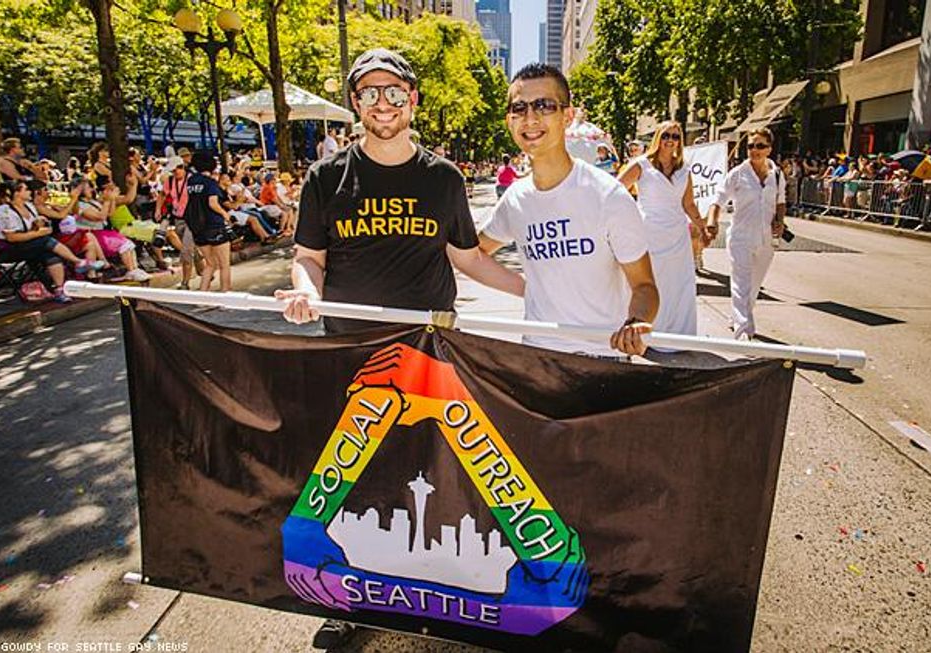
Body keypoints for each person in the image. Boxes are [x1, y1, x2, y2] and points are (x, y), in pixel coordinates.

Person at [277, 49, 523, 648]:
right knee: (357, 474)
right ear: (356, 104)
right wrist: (305, 291)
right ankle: (349, 598)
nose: (382, 104)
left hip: (431, 348)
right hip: (353, 350)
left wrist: (546, 289)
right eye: (369, 93)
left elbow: (466, 258)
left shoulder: (443, 178)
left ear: (413, 100)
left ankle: (440, 585)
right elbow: (309, 257)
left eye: (394, 92)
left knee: (436, 466)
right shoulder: (325, 177)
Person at [479, 62, 658, 357]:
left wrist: (637, 323)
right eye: (519, 108)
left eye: (544, 105)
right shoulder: (516, 198)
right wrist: (526, 288)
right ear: (509, 120)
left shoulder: (608, 196)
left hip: (603, 358)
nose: (530, 118)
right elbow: (474, 252)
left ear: (568, 116)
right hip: (539, 355)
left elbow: (644, 286)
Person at [618, 120, 705, 337]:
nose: (670, 141)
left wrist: (703, 226)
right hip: (649, 233)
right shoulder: (642, 164)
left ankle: (675, 336)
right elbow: (615, 190)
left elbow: (688, 204)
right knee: (650, 284)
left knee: (677, 286)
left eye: (675, 136)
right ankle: (644, 332)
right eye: (666, 135)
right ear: (658, 138)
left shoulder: (684, 170)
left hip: (677, 237)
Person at [705, 128, 786, 341]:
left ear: (769, 148)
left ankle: (737, 317)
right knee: (741, 283)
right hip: (741, 237)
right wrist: (712, 221)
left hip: (766, 238)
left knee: (754, 285)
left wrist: (780, 221)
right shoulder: (738, 174)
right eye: (751, 145)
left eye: (760, 146)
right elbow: (718, 200)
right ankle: (744, 330)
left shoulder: (776, 174)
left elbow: (781, 201)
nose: (754, 150)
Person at [0, 180, 105, 302]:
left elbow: (34, 226)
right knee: (45, 241)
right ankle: (77, 261)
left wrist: (39, 225)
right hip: (8, 249)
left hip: (28, 244)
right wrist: (38, 233)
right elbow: (11, 237)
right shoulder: (4, 211)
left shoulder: (29, 207)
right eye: (26, 189)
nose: (30, 192)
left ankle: (60, 290)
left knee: (50, 253)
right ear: (17, 193)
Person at [184, 150, 232, 292]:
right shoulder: (210, 183)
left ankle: (203, 296)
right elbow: (213, 203)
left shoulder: (191, 182)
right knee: (224, 264)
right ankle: (226, 295)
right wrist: (225, 214)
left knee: (210, 264)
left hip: (198, 227)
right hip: (214, 224)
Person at [155, 156, 200, 288]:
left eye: (176, 170)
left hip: (192, 219)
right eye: (173, 171)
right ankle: (199, 262)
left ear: (182, 167)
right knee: (189, 247)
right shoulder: (170, 181)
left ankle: (185, 282)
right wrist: (158, 209)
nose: (175, 173)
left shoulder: (192, 179)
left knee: (185, 250)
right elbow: (162, 194)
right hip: (178, 218)